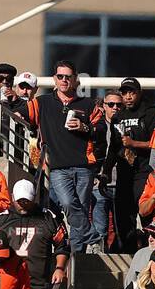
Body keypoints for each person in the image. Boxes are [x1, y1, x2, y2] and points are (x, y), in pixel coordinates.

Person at [25, 60, 105, 253]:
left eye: (67, 77)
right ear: (54, 79)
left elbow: (102, 129)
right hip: (58, 167)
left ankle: (77, 258)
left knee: (81, 211)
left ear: (75, 79)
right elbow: (19, 114)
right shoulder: (42, 102)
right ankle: (93, 237)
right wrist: (13, 96)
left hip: (84, 166)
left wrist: (85, 127)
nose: (63, 80)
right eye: (60, 76)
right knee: (69, 205)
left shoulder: (87, 104)